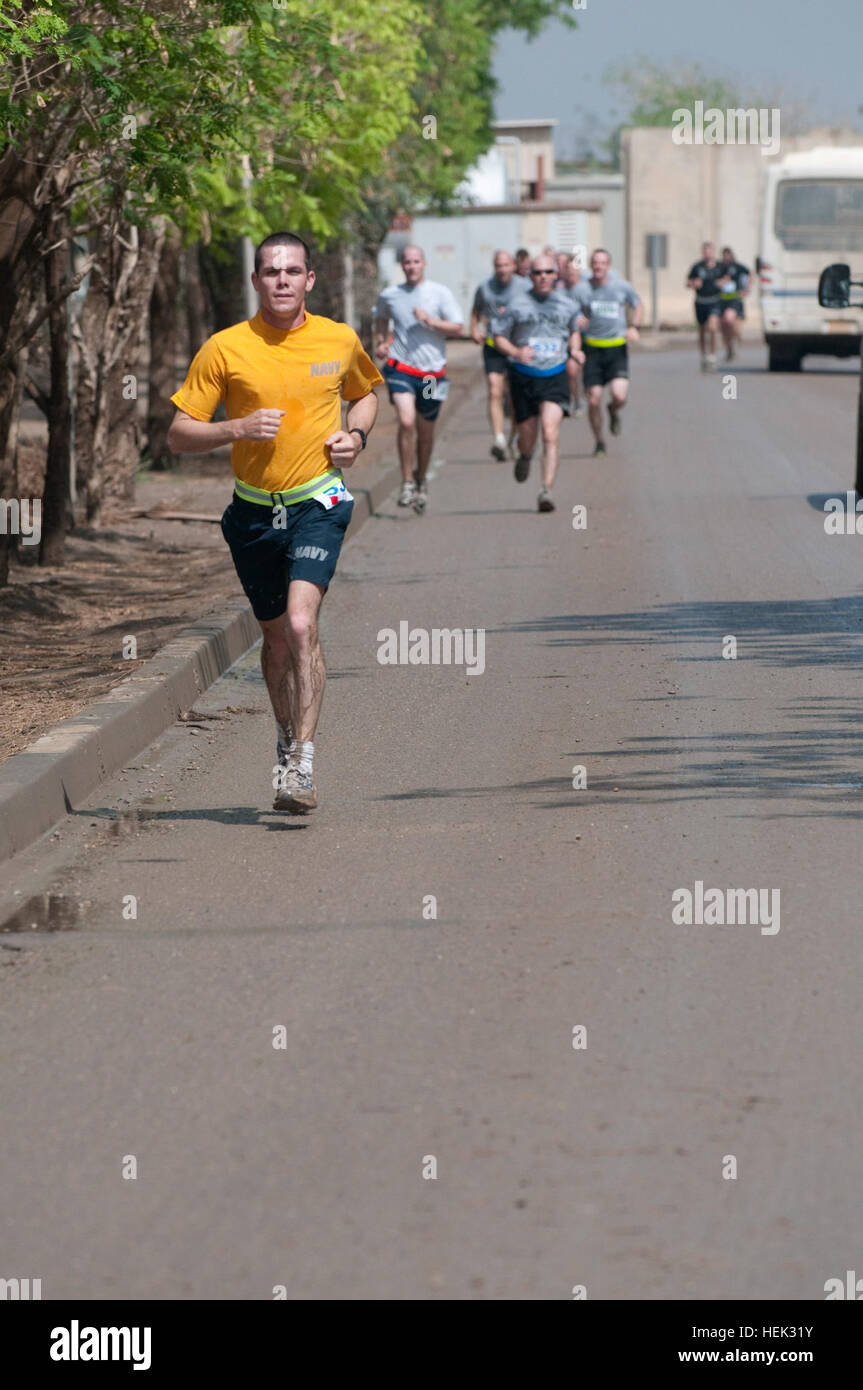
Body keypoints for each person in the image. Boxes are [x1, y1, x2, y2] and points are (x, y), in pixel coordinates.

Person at [167, 231, 382, 815]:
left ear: (310, 279)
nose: (282, 280)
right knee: (275, 639)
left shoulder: (338, 338)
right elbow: (179, 434)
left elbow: (366, 393)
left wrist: (355, 436)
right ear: (256, 280)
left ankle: (302, 763)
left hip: (319, 503)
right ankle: (286, 738)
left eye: (292, 271)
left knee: (300, 623)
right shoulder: (225, 348)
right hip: (253, 515)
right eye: (271, 271)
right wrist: (234, 429)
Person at [372, 246, 464, 513]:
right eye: (407, 262)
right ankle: (406, 481)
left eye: (416, 261)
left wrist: (431, 321)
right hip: (401, 368)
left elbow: (458, 328)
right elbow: (380, 318)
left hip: (431, 374)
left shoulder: (439, 293)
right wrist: (381, 342)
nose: (411, 266)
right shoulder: (391, 295)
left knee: (426, 433)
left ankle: (421, 479)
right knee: (406, 420)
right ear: (402, 265)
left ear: (424, 264)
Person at [493, 252, 584, 513]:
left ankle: (546, 490)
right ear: (529, 275)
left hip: (554, 375)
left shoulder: (567, 304)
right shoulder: (517, 304)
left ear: (556, 274)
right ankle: (524, 455)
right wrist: (515, 352)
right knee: (527, 436)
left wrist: (575, 350)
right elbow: (499, 336)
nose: (543, 277)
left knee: (550, 432)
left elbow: (574, 332)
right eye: (537, 273)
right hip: (524, 376)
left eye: (548, 272)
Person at [574, 248, 642, 458]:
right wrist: (576, 320)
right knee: (593, 400)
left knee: (619, 395)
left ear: (608, 266)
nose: (598, 267)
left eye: (602, 263)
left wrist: (634, 326)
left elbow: (637, 304)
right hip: (592, 349)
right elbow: (571, 312)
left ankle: (613, 410)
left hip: (616, 347)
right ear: (591, 265)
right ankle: (599, 442)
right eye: (595, 263)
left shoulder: (620, 286)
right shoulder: (582, 289)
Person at [469, 251, 521, 460]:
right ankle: (499, 438)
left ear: (514, 266)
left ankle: (514, 439)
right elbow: (475, 311)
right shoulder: (485, 287)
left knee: (517, 398)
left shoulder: (524, 286)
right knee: (494, 389)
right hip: (492, 346)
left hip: (517, 348)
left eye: (506, 265)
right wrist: (474, 329)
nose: (502, 269)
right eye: (498, 265)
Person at [686, 241, 724, 371]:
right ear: (703, 252)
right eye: (705, 251)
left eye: (709, 250)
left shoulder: (720, 266)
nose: (707, 253)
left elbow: (729, 277)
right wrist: (693, 283)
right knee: (702, 330)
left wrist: (723, 282)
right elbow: (687, 282)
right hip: (701, 301)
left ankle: (712, 355)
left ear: (713, 252)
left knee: (713, 327)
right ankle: (704, 355)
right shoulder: (697, 267)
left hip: (714, 300)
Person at [560, 255, 586, 417]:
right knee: (571, 371)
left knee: (579, 371)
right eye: (567, 269)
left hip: (587, 336)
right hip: (570, 336)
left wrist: (588, 319)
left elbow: (595, 311)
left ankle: (579, 396)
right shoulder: (560, 291)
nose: (570, 272)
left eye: (573, 269)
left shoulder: (585, 289)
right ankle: (574, 399)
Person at [716, 246, 751, 362]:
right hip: (722, 300)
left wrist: (746, 289)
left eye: (727, 255)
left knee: (731, 321)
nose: (726, 258)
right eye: (724, 255)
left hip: (735, 299)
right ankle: (729, 348)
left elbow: (750, 274)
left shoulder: (737, 267)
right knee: (723, 326)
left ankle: (735, 341)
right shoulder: (719, 267)